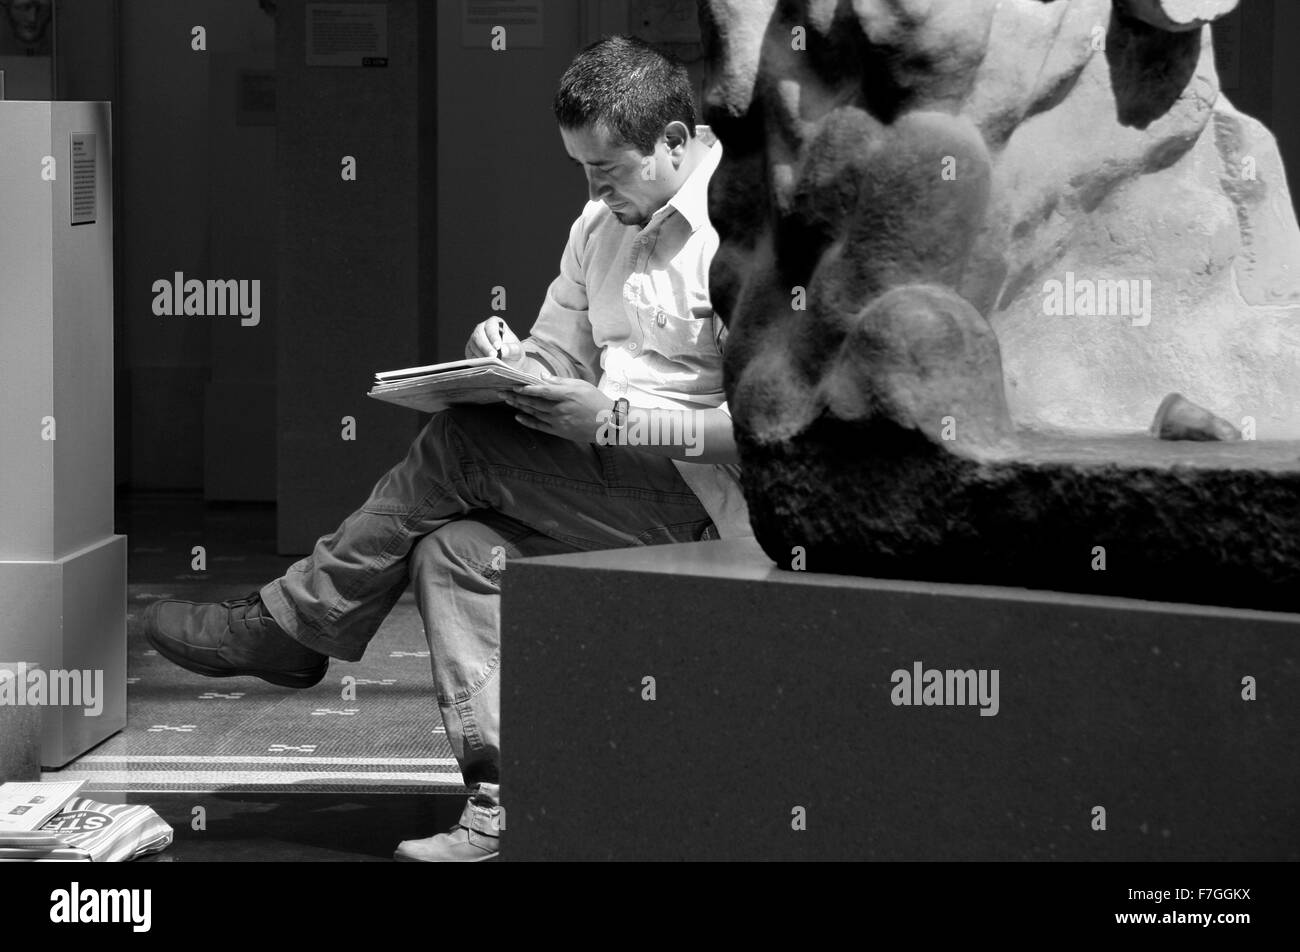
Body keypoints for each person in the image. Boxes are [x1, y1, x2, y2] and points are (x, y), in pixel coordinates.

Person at [143, 34, 750, 862]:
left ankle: (293, 626)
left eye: (607, 170)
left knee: (463, 443)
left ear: (676, 142)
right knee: (453, 551)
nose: (593, 190)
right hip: (604, 490)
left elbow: (761, 436)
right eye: (580, 169)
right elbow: (559, 357)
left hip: (709, 511)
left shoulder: (742, 235)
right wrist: (509, 364)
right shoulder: (595, 225)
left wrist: (611, 422)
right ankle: (504, 802)